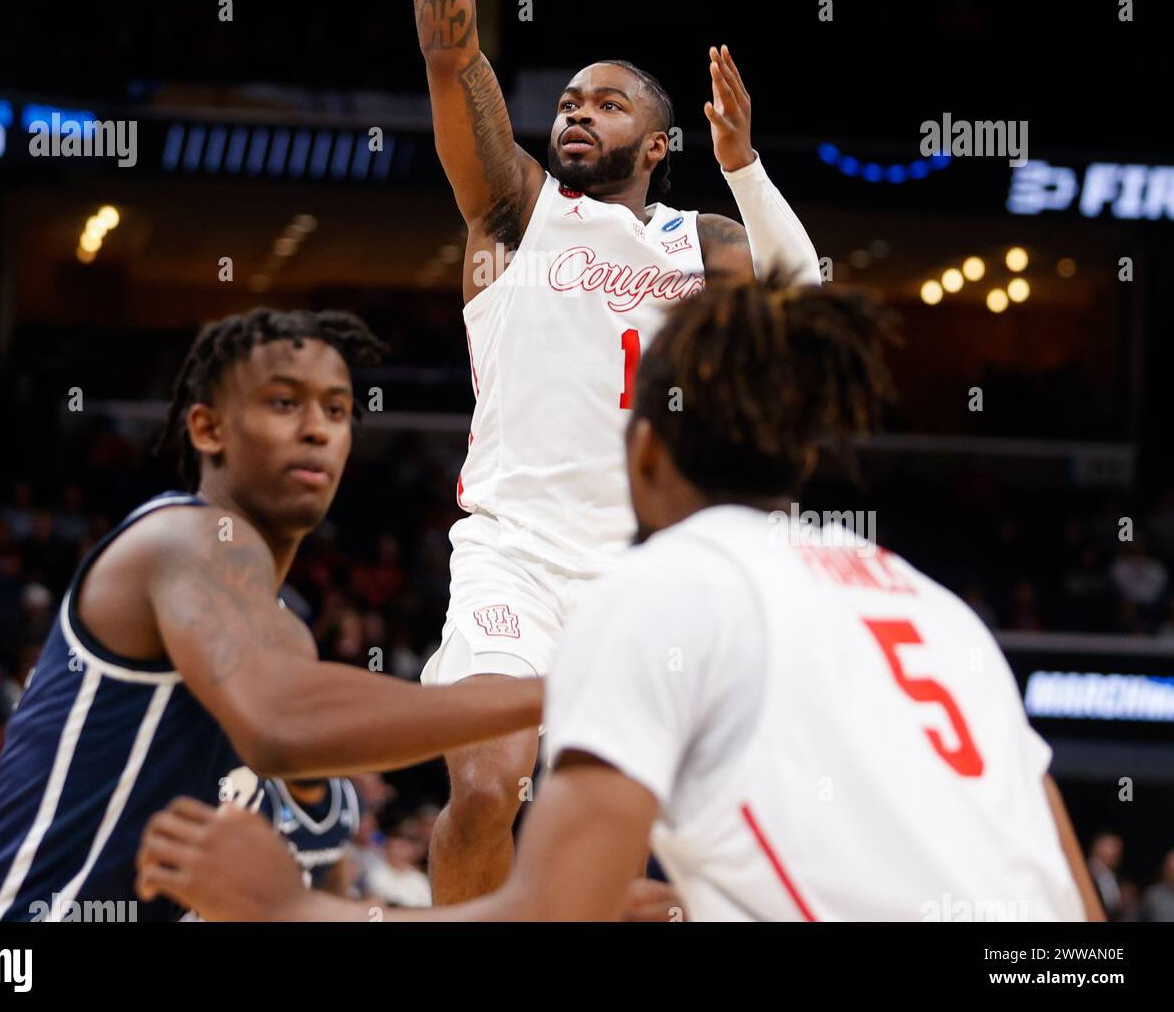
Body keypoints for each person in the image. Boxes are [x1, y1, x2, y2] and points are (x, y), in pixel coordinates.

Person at [137, 279, 1101, 923]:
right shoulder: (938, 610)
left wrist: (295, 909)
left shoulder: (670, 586)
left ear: (640, 456)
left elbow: (541, 912)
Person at [370, 0, 822, 902]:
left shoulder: (704, 243)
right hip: (516, 550)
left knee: (688, 848)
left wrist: (747, 167)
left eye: (608, 100)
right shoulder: (514, 211)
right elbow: (449, 50)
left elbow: (801, 293)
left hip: (651, 567)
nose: (577, 108)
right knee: (485, 784)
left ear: (658, 142)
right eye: (570, 96)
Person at [0, 309, 541, 922]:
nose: (318, 427)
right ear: (208, 429)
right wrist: (555, 691)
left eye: (337, 409)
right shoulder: (186, 540)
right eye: (284, 403)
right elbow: (282, 721)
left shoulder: (277, 637)